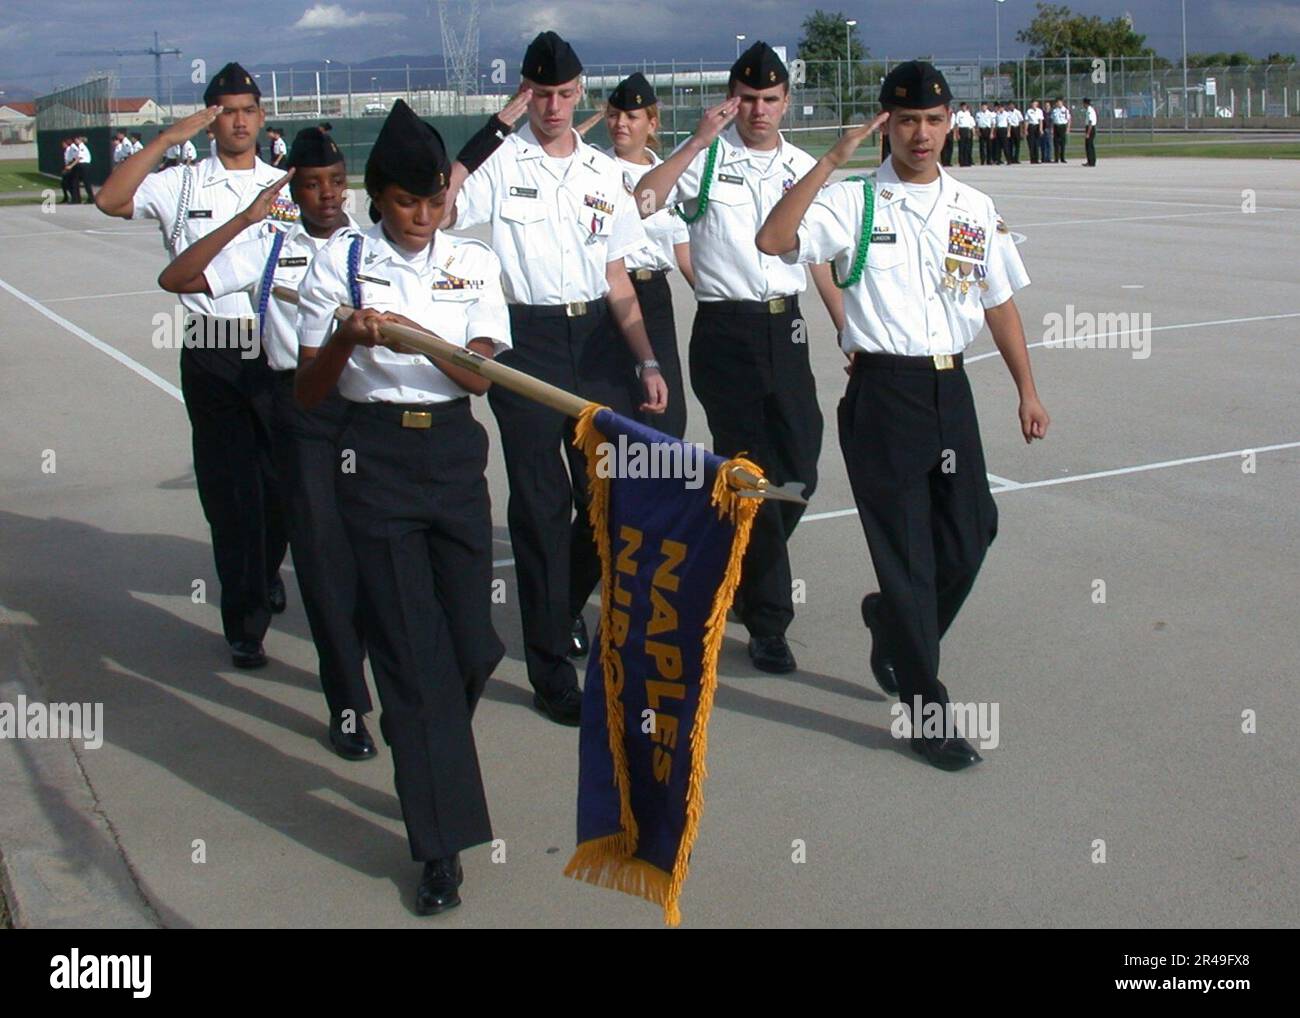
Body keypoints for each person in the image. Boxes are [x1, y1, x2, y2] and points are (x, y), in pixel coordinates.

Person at [758, 60, 1050, 772]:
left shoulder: (974, 208)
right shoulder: (853, 202)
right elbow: (773, 240)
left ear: (951, 122)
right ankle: (926, 709)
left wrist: (1027, 388)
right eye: (907, 120)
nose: (921, 134)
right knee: (909, 561)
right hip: (884, 396)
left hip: (952, 392)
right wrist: (829, 161)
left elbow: (998, 301)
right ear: (887, 124)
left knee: (974, 532)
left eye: (933, 119)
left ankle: (893, 626)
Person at [296, 100, 509, 914]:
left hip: (453, 457)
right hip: (373, 460)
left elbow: (482, 376)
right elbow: (310, 396)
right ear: (376, 196)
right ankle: (439, 846)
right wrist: (350, 338)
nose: (424, 218)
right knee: (415, 668)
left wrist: (419, 335)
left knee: (473, 646)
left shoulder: (474, 264)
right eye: (407, 202)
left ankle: (422, 743)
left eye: (436, 202)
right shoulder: (339, 265)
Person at [442, 31, 667, 723]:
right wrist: (497, 124)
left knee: (609, 500)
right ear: (524, 94)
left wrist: (647, 358)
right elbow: (445, 202)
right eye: (539, 94)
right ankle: (549, 667)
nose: (553, 106)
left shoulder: (606, 176)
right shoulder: (497, 165)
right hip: (526, 343)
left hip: (597, 341)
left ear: (581, 95)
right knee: (541, 509)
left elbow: (618, 275)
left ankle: (563, 606)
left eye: (564, 94)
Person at [156, 127, 375, 761]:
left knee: (371, 559)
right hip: (297, 409)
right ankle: (347, 707)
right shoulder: (270, 249)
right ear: (292, 190)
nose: (327, 194)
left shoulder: (375, 246)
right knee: (324, 565)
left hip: (365, 415)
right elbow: (178, 277)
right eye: (311, 184)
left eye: (336, 181)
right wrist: (246, 220)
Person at [636, 40, 843, 675]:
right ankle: (769, 620)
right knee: (753, 472)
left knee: (800, 466)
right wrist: (697, 141)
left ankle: (733, 567)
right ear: (732, 100)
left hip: (788, 331)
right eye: (748, 99)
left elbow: (817, 260)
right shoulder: (705, 163)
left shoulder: (803, 166)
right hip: (725, 333)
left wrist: (847, 330)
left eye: (770, 99)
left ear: (786, 102)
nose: (759, 110)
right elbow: (645, 198)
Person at [95, 62, 290, 669]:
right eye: (226, 111)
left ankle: (263, 569)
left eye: (248, 110)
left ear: (262, 117)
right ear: (210, 120)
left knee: (281, 487)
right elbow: (110, 198)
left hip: (278, 351)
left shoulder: (285, 184)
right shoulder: (182, 183)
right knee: (231, 493)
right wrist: (164, 139)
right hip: (212, 351)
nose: (238, 121)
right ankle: (245, 620)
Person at [597, 72, 694, 439]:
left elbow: (682, 254)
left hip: (654, 297)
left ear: (651, 122)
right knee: (618, 411)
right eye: (613, 114)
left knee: (667, 414)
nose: (620, 123)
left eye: (632, 116)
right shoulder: (594, 169)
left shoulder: (666, 176)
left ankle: (661, 490)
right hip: (610, 297)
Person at [954, 102, 975, 167]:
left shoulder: (968, 113)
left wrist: (970, 133)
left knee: (967, 147)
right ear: (961, 107)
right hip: (961, 130)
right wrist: (957, 134)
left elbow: (970, 125)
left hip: (967, 130)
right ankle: (961, 162)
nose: (964, 108)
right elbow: (957, 124)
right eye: (963, 106)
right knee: (961, 147)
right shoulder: (959, 114)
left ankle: (967, 162)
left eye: (965, 106)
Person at [1051, 97, 1070, 163]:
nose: (1058, 104)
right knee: (1056, 143)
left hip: (1062, 126)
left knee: (1062, 144)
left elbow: (1069, 120)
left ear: (1062, 103)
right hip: (1056, 126)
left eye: (1060, 102)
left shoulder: (1065, 110)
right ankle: (1056, 159)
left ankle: (1062, 158)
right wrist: (1052, 129)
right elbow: (1052, 120)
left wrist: (1068, 128)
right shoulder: (1054, 110)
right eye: (1057, 103)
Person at [1025, 99, 1044, 164]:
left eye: (1035, 104)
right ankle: (1032, 159)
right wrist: (1026, 130)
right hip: (1031, 127)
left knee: (1037, 144)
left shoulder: (1040, 111)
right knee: (1031, 144)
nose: (1034, 105)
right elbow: (1027, 121)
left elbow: (1041, 121)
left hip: (1037, 127)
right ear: (1031, 104)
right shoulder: (1028, 111)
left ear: (1037, 104)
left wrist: (1041, 129)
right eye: (1033, 104)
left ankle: (1036, 159)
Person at [60, 138, 77, 203]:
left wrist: (68, 167)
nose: (62, 145)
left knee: (68, 183)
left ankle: (73, 197)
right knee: (63, 184)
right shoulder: (66, 150)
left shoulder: (70, 149)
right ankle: (66, 197)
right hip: (67, 166)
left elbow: (73, 158)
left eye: (63, 144)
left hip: (70, 167)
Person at [1082, 97, 1098, 166]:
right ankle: (1090, 161)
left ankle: (1091, 162)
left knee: (1089, 146)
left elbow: (1091, 122)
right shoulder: (1089, 110)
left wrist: (1088, 133)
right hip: (1089, 128)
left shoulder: (1090, 111)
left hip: (1090, 129)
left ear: (1086, 103)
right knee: (1088, 145)